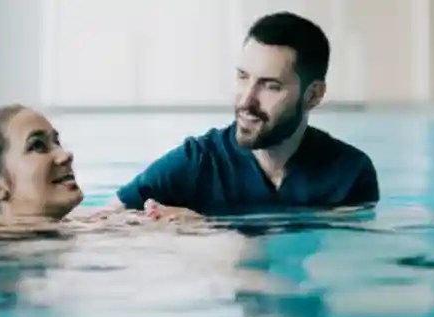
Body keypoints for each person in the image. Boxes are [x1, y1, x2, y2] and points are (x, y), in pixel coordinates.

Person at [113, 12, 379, 219]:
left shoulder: (349, 174)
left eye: (270, 85)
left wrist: (209, 228)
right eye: (243, 77)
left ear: (313, 95)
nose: (246, 99)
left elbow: (347, 258)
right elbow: (101, 223)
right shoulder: (199, 162)